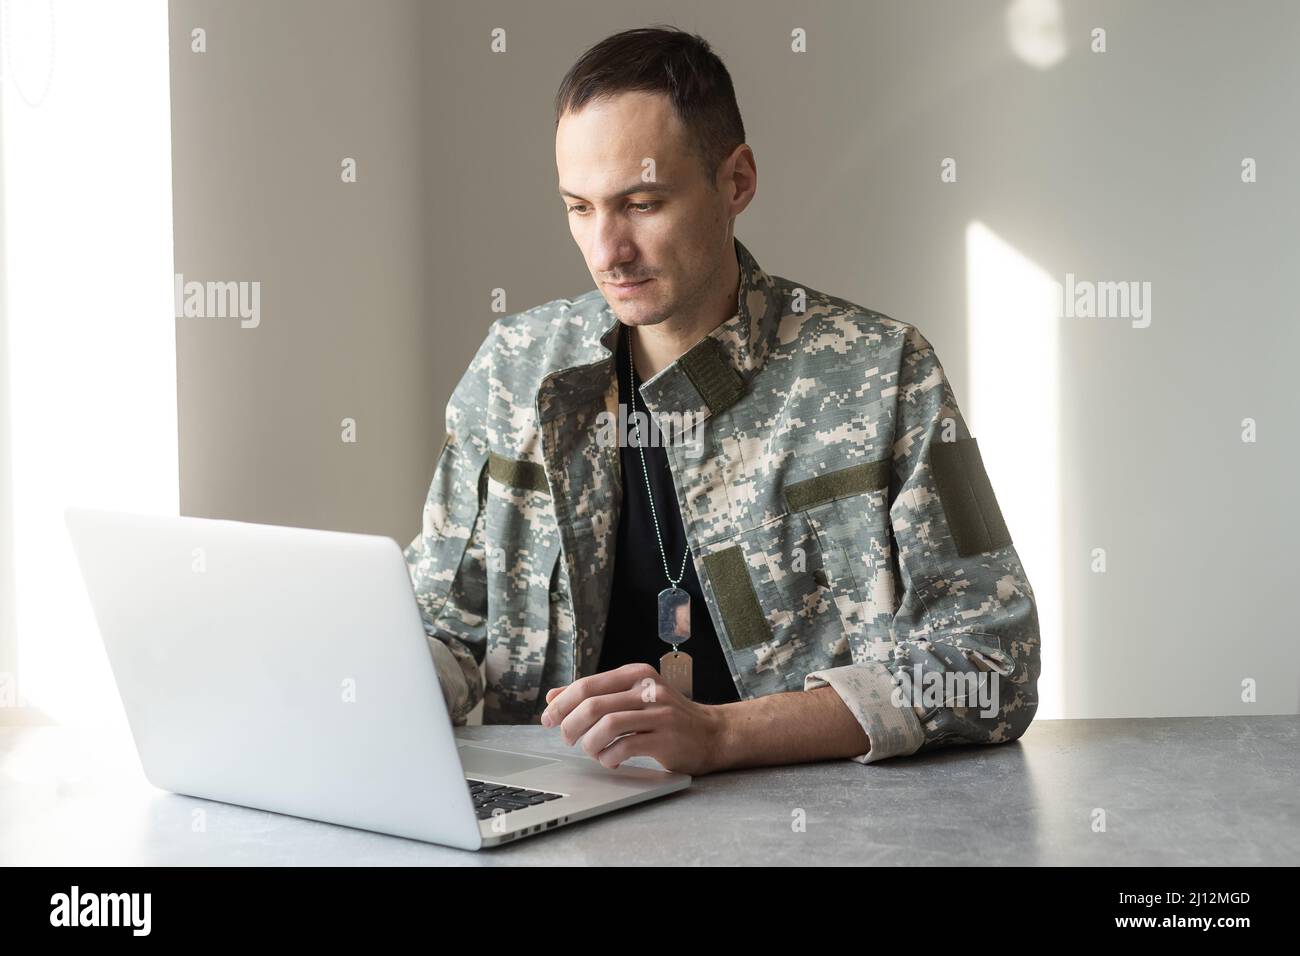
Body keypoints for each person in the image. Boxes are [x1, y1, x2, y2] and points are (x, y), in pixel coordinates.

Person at [404, 25, 1040, 775]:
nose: (607, 251)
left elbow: (993, 661)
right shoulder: (514, 368)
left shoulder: (882, 371)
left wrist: (723, 734)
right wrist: (345, 682)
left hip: (816, 831)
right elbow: (445, 628)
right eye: (580, 208)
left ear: (735, 181)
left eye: (642, 204)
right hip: (560, 824)